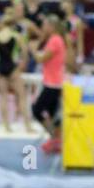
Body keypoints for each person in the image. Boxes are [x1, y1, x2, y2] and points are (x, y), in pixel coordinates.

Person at [30, 14, 67, 153]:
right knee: (51, 114)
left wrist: (33, 50)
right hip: (54, 82)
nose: (43, 28)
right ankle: (55, 140)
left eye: (45, 25)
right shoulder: (56, 39)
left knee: (37, 110)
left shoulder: (55, 40)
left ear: (51, 27)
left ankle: (54, 137)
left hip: (53, 83)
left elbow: (42, 58)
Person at [0, 7, 31, 133]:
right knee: (22, 96)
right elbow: (25, 52)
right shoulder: (17, 36)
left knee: (3, 97)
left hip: (1, 67)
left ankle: (6, 126)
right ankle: (27, 126)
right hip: (12, 67)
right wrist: (22, 64)